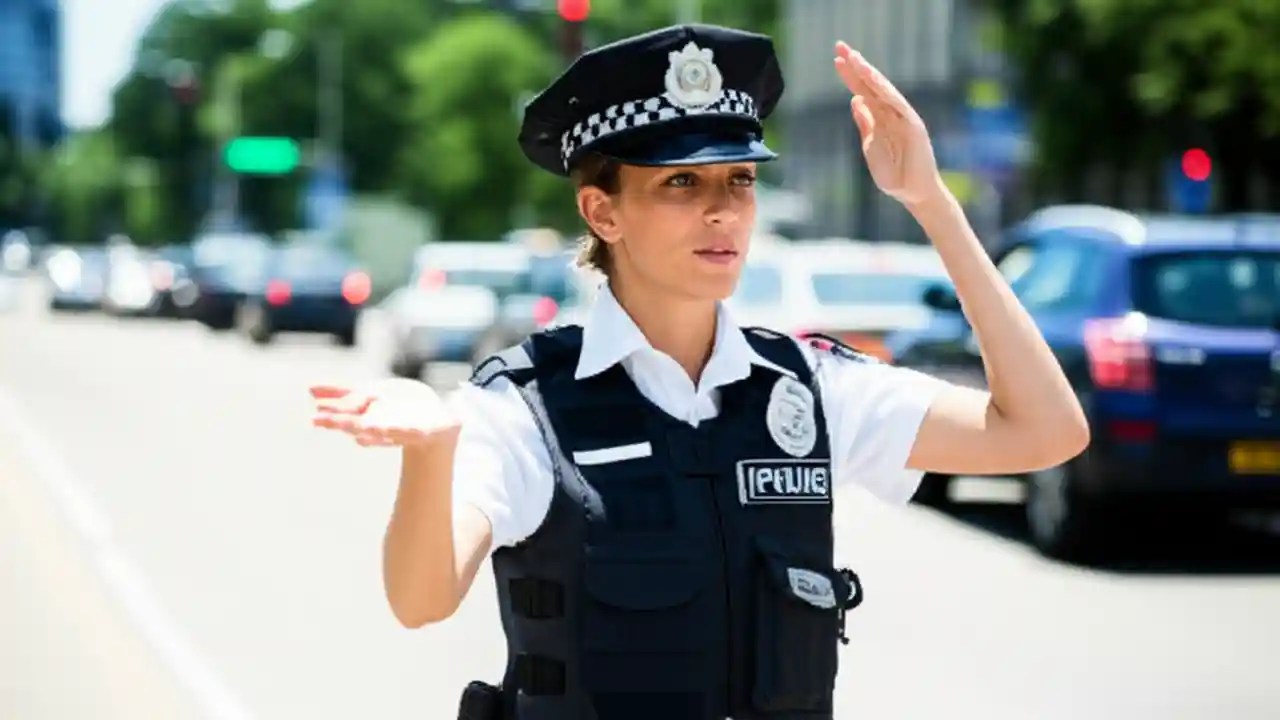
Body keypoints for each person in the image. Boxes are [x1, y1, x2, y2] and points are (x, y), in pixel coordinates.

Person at [310, 24, 1089, 720]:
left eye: (740, 180)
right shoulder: (526, 408)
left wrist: (931, 203)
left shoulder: (807, 387)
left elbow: (1044, 432)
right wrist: (431, 449)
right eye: (681, 182)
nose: (723, 210)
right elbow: (420, 600)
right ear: (602, 213)